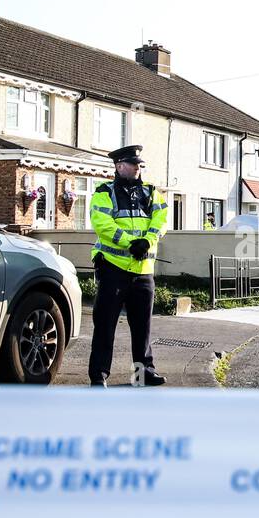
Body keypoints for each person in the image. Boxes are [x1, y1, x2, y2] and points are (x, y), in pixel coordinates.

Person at [87, 145, 168, 387]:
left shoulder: (152, 193)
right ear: (119, 165)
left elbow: (161, 220)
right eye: (133, 164)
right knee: (105, 325)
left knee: (142, 328)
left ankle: (143, 375)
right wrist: (129, 242)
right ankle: (99, 376)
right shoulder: (104, 192)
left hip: (143, 271)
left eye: (140, 164)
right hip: (113, 268)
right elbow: (102, 223)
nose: (138, 167)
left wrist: (147, 240)